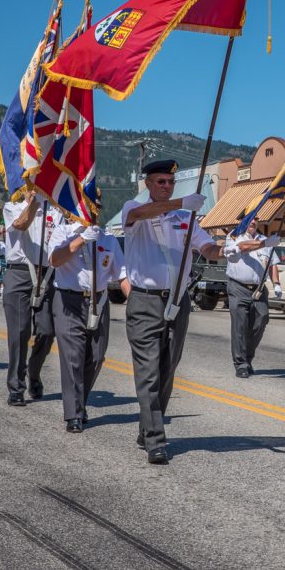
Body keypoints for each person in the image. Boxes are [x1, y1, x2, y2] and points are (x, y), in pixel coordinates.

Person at [122, 160, 223, 465]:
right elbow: (140, 214)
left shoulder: (185, 218)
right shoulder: (134, 209)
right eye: (161, 182)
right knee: (149, 371)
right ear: (148, 184)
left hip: (177, 302)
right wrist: (181, 202)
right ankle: (156, 439)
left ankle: (147, 428)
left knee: (167, 371)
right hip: (145, 301)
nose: (166, 186)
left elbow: (207, 249)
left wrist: (232, 248)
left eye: (170, 181)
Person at [49, 190, 129, 433]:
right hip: (68, 300)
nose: (94, 210)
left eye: (96, 206)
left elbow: (122, 275)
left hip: (99, 301)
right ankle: (73, 414)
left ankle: (79, 403)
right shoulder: (63, 232)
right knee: (73, 356)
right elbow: (55, 260)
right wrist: (81, 240)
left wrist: (136, 302)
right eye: (88, 205)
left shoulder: (108, 239)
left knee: (95, 357)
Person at [2, 189, 64, 406]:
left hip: (47, 273)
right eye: (33, 185)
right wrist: (35, 204)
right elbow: (20, 225)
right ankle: (16, 386)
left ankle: (34, 371)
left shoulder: (55, 213)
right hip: (19, 272)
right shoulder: (12, 207)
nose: (37, 189)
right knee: (19, 332)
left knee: (47, 331)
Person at [223, 215, 281, 378]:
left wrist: (277, 283)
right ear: (243, 222)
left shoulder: (265, 239)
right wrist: (265, 243)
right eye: (250, 219)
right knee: (240, 326)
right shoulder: (234, 236)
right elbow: (242, 247)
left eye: (256, 220)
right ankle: (241, 363)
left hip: (259, 289)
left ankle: (248, 356)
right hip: (238, 287)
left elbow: (273, 264)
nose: (254, 222)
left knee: (261, 319)